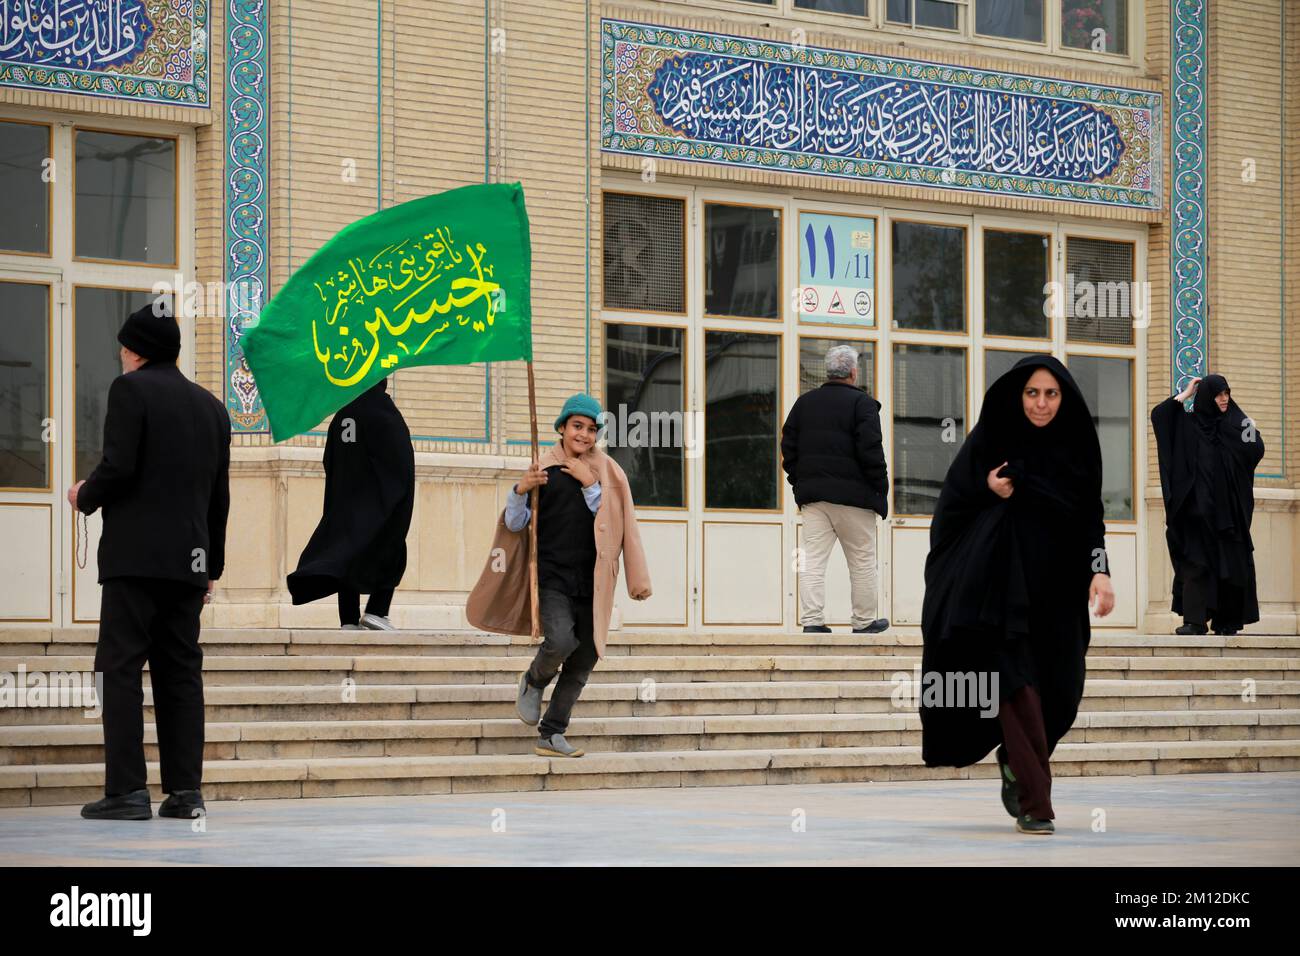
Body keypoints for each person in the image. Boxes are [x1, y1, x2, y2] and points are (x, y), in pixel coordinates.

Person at [919, 355, 1114, 835]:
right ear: (1017, 396)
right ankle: (1036, 804)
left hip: (1060, 591)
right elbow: (950, 509)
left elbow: (1091, 518)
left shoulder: (1079, 448)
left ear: (1064, 397)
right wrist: (986, 488)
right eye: (1032, 393)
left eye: (1051, 394)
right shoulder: (993, 438)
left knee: (1061, 695)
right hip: (1001, 590)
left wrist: (1100, 572)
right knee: (1016, 689)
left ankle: (1014, 761)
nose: (1041, 404)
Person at [69, 302, 231, 821]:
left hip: (135, 559)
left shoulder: (130, 391)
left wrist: (84, 495)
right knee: (180, 672)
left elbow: (118, 467)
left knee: (117, 669)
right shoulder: (212, 407)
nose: (120, 355)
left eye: (124, 347)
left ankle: (127, 792)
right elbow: (218, 497)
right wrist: (212, 568)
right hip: (188, 562)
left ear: (137, 350)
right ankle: (186, 794)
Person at [466, 393, 651, 758]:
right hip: (552, 578)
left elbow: (616, 526)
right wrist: (521, 489)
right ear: (562, 428)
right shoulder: (543, 471)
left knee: (584, 659)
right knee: (561, 642)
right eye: (577, 426)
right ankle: (534, 680)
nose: (583, 435)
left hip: (593, 582)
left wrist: (590, 485)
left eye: (590, 429)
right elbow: (516, 524)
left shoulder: (608, 472)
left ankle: (551, 733)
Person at [287, 377, 414, 630]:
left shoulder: (343, 413)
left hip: (344, 504)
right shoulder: (384, 412)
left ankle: (348, 619)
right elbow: (402, 465)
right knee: (393, 549)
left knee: (346, 554)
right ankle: (377, 610)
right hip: (379, 503)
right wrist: (395, 501)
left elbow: (330, 461)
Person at [780, 345, 890, 634]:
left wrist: (799, 483)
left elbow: (787, 448)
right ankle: (864, 622)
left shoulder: (804, 404)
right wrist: (880, 489)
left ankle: (812, 622)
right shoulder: (862, 404)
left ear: (827, 372)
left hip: (815, 499)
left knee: (813, 560)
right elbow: (871, 451)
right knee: (863, 561)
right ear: (854, 372)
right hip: (856, 499)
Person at [1151, 374, 1264, 636]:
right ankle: (1195, 621)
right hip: (1195, 514)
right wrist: (1186, 393)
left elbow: (1255, 448)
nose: (1224, 399)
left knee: (1230, 565)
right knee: (1196, 565)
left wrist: (1247, 426)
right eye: (1218, 394)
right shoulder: (1189, 426)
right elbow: (1160, 417)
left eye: (1227, 393)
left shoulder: (1233, 425)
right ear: (1206, 397)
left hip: (1226, 516)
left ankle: (1227, 621)